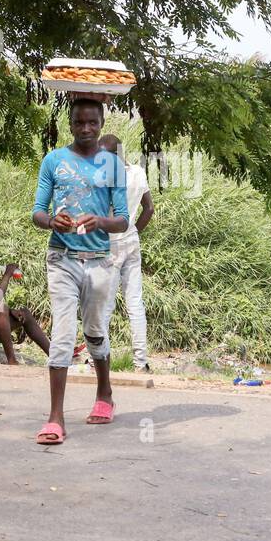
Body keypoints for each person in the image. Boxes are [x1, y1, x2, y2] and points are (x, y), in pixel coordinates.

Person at [31, 98, 129, 444]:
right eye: (78, 123)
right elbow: (37, 212)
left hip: (100, 260)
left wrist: (100, 220)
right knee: (61, 335)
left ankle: (105, 394)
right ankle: (55, 418)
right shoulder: (54, 160)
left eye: (92, 123)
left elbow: (123, 220)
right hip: (62, 258)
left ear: (101, 124)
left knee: (95, 331)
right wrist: (50, 221)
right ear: (69, 123)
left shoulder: (112, 165)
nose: (86, 129)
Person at [98, 133, 154, 372]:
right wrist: (134, 232)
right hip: (130, 239)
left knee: (104, 305)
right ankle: (141, 363)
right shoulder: (139, 173)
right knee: (135, 303)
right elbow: (149, 209)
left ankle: (96, 359)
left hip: (109, 243)